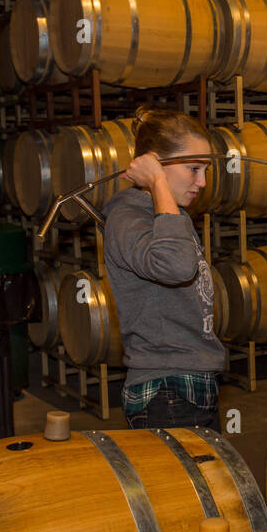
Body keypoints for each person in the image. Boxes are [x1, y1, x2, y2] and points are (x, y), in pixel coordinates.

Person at [102, 106, 225, 430]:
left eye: (206, 170)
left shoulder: (170, 215)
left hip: (189, 382)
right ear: (155, 164)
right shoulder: (129, 218)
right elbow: (177, 268)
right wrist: (157, 181)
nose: (202, 182)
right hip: (166, 390)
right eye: (194, 168)